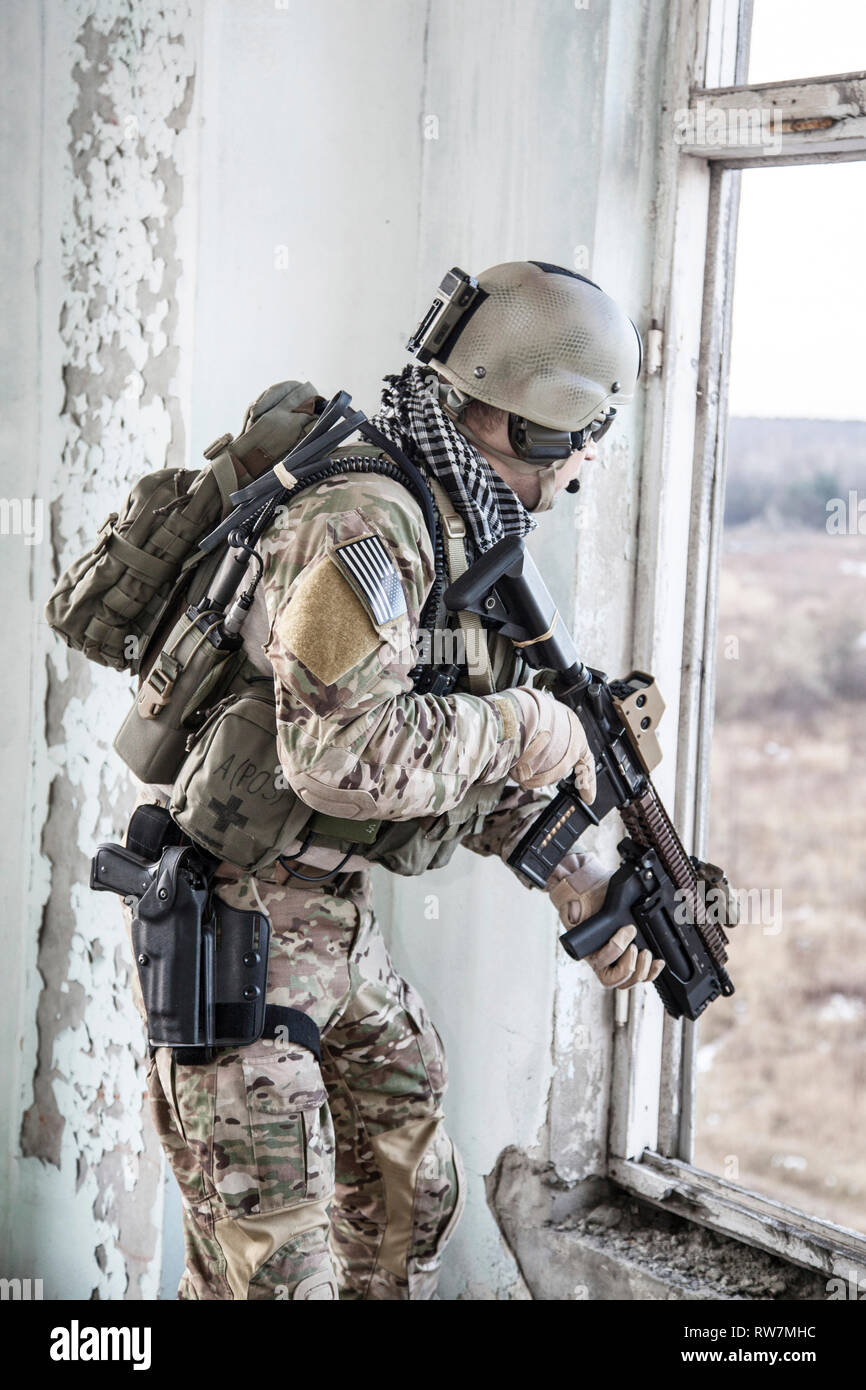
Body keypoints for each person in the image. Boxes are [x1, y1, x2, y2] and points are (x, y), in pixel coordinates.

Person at [142, 260, 661, 1300]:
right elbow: (338, 756)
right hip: (243, 920)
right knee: (266, 1259)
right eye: (582, 441)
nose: (583, 467)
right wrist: (520, 725)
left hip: (331, 921)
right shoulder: (365, 527)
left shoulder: (457, 527)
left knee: (404, 1192)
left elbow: (450, 750)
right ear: (532, 427)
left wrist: (585, 892)